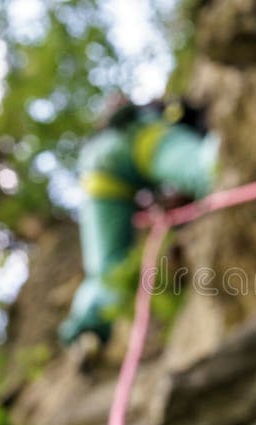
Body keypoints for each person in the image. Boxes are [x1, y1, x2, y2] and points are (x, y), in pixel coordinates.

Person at [59, 97, 218, 344]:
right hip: (147, 138)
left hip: (98, 168)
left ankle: (87, 329)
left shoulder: (108, 134)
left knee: (105, 270)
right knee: (207, 167)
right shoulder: (173, 116)